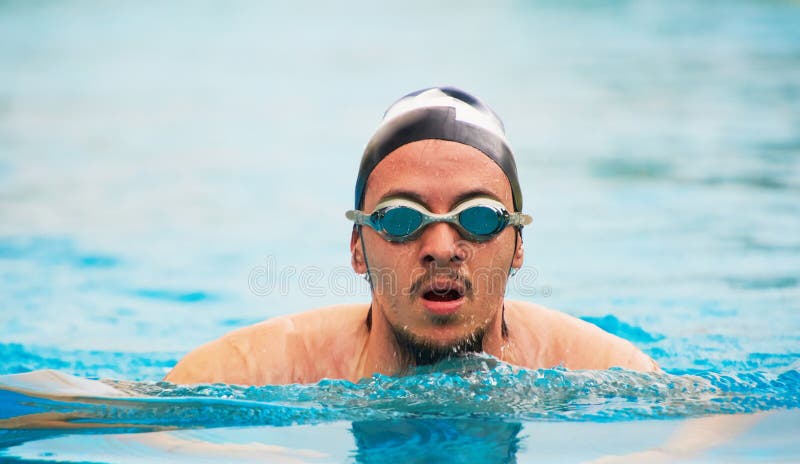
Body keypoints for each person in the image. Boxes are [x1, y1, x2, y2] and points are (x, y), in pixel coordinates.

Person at [165, 87, 658, 385]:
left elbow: (717, 428)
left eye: (479, 217)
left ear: (518, 244)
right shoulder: (265, 366)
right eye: (402, 218)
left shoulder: (594, 366)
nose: (442, 249)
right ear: (357, 247)